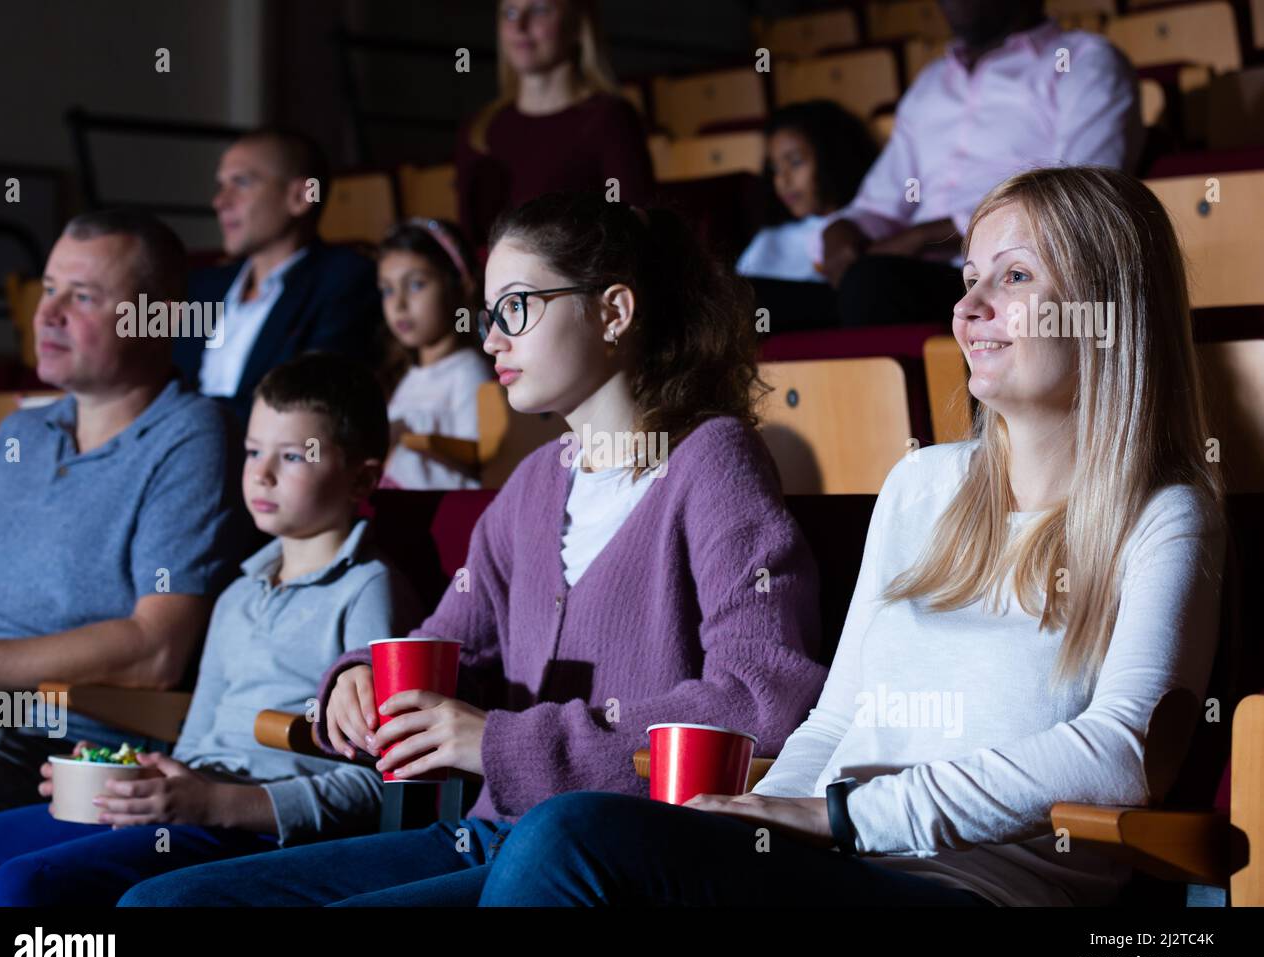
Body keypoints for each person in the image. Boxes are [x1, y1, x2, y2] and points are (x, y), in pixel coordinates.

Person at [474, 165, 1226, 907]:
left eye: (1015, 276)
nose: (969, 307)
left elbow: (1121, 754)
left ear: (1106, 308)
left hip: (979, 889)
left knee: (567, 837)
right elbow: (836, 720)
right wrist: (755, 822)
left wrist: (838, 818)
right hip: (833, 865)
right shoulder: (920, 485)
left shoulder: (1166, 511)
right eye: (968, 278)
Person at [118, 191, 827, 907]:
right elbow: (447, 643)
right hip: (489, 837)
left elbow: (760, 697)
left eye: (517, 307)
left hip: (616, 855)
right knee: (163, 904)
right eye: (491, 316)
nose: (492, 340)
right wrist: (360, 677)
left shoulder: (713, 461)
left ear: (614, 311)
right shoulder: (531, 485)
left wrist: (498, 742)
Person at [0, 352, 423, 905]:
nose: (262, 473)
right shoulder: (237, 594)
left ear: (363, 477)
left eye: (294, 456)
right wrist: (134, 772)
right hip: (192, 801)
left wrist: (213, 801)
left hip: (254, 825)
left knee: (21, 888)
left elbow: (382, 786)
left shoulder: (369, 589)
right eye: (253, 451)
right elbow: (196, 744)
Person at [0, 209, 245, 820]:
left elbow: (155, 649)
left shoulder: (191, 435)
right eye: (48, 290)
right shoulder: (20, 432)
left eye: (82, 296)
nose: (48, 313)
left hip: (61, 744)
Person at [819, 0, 1142, 328]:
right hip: (898, 274)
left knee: (871, 283)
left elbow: (1078, 200)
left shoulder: (1085, 61)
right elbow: (880, 204)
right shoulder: (930, 83)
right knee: (771, 296)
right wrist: (843, 228)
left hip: (1012, 282)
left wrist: (924, 237)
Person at [177, 128, 381, 426]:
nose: (220, 201)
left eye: (241, 182)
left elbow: (306, 404)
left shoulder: (345, 280)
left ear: (300, 196)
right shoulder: (203, 285)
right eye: (221, 185)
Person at [455, 0, 655, 249]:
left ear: (576, 26)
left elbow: (632, 225)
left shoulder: (609, 118)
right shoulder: (479, 132)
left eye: (539, 10)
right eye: (509, 12)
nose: (519, 26)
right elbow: (471, 244)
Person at [736, 101, 878, 333]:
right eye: (775, 168)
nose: (783, 179)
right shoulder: (769, 238)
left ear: (834, 157)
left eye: (795, 162)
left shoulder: (866, 224)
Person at [376, 218, 494, 489]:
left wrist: (396, 453)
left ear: (460, 285)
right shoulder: (407, 377)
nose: (399, 305)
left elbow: (481, 477)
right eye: (388, 290)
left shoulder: (468, 372)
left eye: (416, 285)